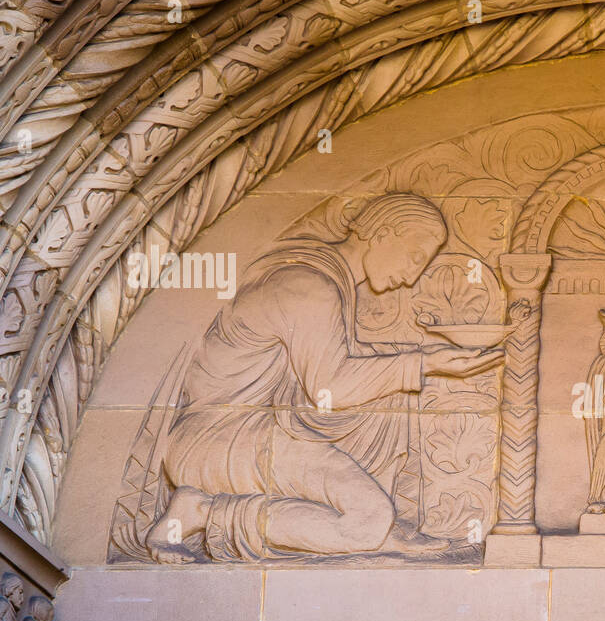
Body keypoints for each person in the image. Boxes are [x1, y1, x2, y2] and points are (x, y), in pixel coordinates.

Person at [146, 194, 502, 563]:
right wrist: (424, 363)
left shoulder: (320, 280)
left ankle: (374, 531)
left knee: (383, 428)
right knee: (368, 520)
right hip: (218, 441)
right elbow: (331, 389)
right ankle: (201, 512)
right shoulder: (309, 287)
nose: (411, 276)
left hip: (249, 433)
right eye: (414, 258)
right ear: (383, 233)